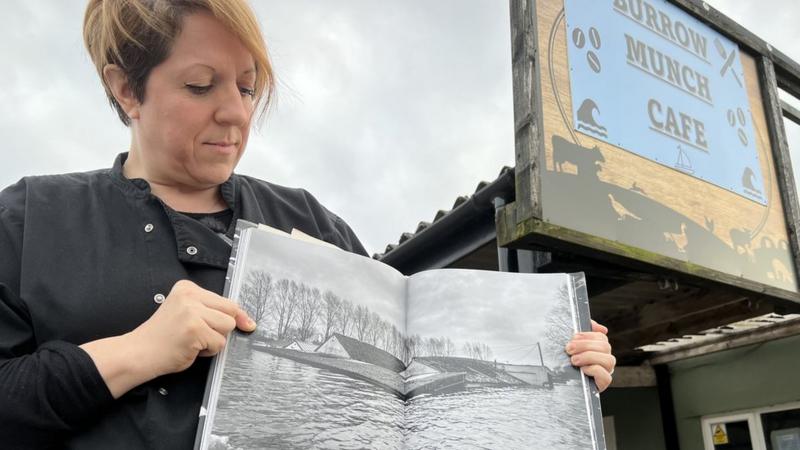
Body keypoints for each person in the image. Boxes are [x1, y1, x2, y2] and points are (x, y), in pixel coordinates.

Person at [0, 1, 615, 448]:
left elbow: (407, 398)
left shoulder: (310, 222)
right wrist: (138, 352)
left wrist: (559, 375)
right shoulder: (29, 221)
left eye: (247, 87)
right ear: (127, 90)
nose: (235, 112)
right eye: (199, 84)